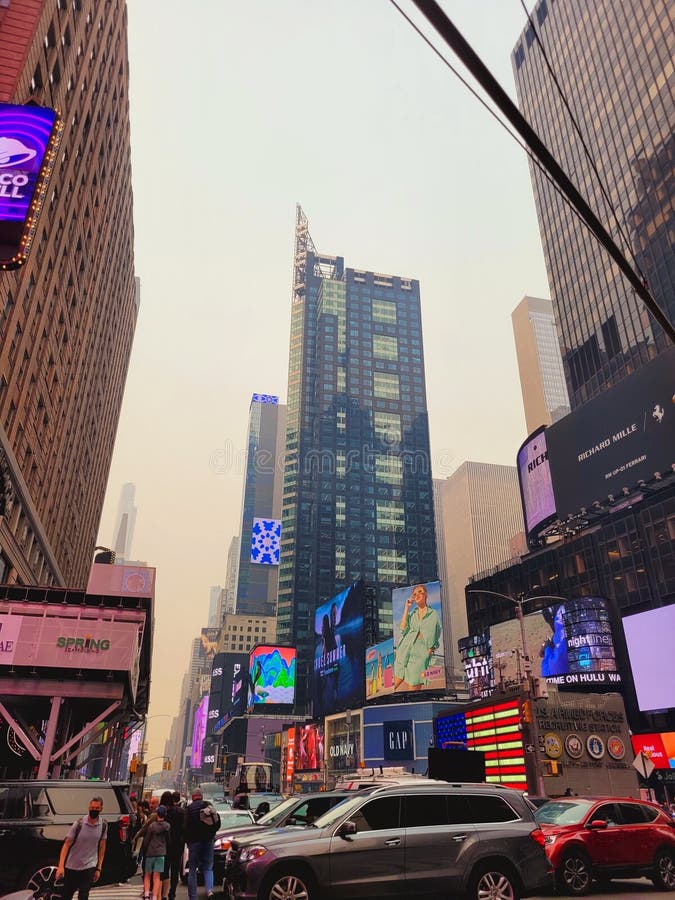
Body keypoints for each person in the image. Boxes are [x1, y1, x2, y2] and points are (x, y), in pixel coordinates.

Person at [55, 795, 107, 900]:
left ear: (101, 809)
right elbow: (66, 844)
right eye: (92, 808)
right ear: (89, 807)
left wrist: (98, 868)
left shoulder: (104, 825)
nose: (94, 810)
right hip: (72, 866)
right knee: (66, 895)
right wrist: (61, 866)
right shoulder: (79, 824)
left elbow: (102, 847)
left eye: (97, 808)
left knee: (83, 895)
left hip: (89, 866)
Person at [393, 583, 441, 691]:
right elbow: (402, 629)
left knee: (413, 694)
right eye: (414, 594)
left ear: (426, 594)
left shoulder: (433, 615)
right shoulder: (412, 614)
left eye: (420, 592)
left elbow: (436, 634)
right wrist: (407, 608)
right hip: (404, 652)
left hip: (419, 656)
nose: (417, 595)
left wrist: (429, 651)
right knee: (392, 687)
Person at [185, 788, 220, 900]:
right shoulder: (208, 805)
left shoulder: (189, 809)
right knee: (208, 867)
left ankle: (193, 897)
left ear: (192, 797)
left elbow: (184, 827)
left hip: (194, 842)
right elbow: (217, 823)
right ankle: (209, 890)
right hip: (208, 840)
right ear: (202, 796)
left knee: (192, 870)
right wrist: (212, 835)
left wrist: (187, 841)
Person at [142, 804, 171, 900]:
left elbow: (146, 840)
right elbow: (168, 840)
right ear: (165, 815)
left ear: (157, 814)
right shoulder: (167, 826)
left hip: (150, 853)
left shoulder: (151, 826)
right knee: (157, 877)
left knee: (147, 875)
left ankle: (146, 895)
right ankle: (154, 897)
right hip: (161, 854)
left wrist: (144, 850)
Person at [166, 791, 186, 900]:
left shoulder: (167, 812)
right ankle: (172, 892)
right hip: (178, 844)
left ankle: (163, 891)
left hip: (168, 843)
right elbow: (185, 828)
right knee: (175, 870)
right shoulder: (182, 812)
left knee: (165, 868)